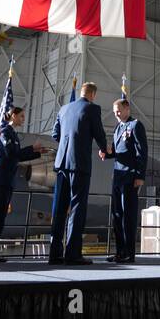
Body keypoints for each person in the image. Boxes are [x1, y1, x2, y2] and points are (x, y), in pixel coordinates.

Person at [49, 81, 111, 264]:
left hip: (61, 164)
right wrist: (104, 148)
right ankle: (73, 254)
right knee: (77, 207)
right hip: (79, 164)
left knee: (59, 209)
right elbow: (99, 133)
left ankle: (55, 254)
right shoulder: (92, 109)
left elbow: (55, 134)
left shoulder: (64, 109)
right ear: (92, 94)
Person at [0, 104, 41, 262]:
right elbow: (11, 153)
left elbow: (17, 157)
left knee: (0, 217)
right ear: (13, 116)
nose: (23, 119)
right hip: (0, 179)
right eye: (21, 116)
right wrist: (31, 148)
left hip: (7, 180)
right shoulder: (5, 131)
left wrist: (35, 152)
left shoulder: (13, 134)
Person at [108, 98, 147, 263]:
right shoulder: (118, 128)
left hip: (130, 177)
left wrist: (140, 176)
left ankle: (129, 253)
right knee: (117, 215)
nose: (116, 114)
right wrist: (107, 153)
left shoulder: (135, 125)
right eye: (114, 111)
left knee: (128, 216)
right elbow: (116, 151)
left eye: (118, 110)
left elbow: (141, 151)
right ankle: (120, 252)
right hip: (117, 177)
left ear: (127, 109)